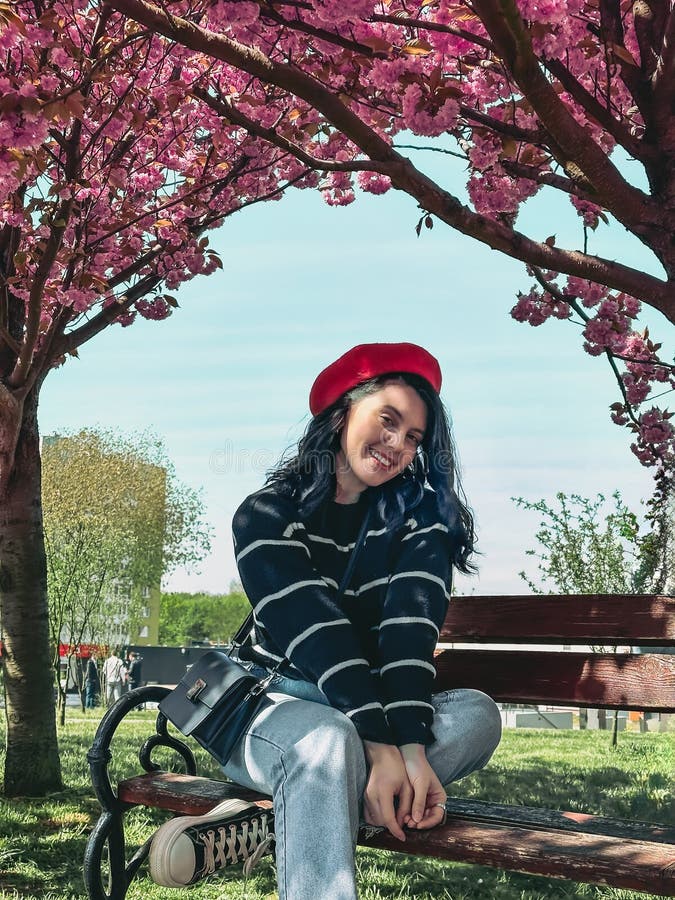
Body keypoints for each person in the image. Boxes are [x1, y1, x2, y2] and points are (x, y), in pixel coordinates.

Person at [148, 342, 502, 898]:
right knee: (327, 741)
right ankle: (319, 795)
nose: (397, 446)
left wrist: (409, 750)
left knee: (477, 715)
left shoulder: (419, 525)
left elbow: (408, 640)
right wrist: (383, 751)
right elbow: (321, 637)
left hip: (369, 709)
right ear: (342, 412)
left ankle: (273, 822)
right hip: (269, 703)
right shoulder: (265, 514)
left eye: (413, 439)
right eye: (388, 421)